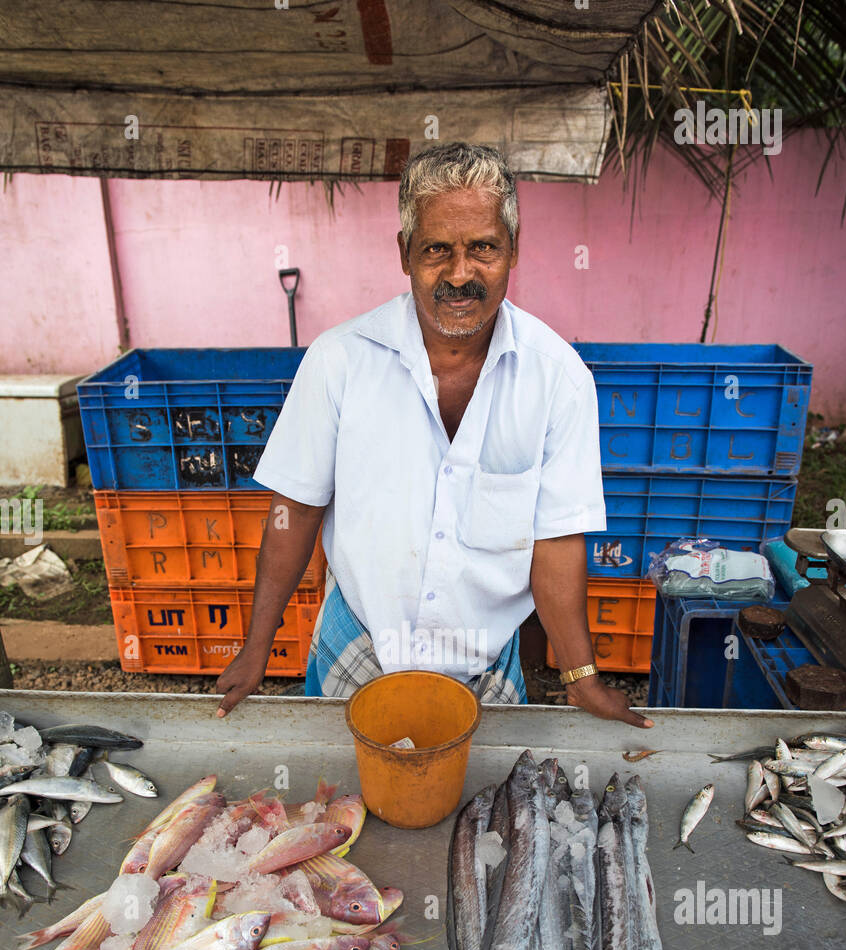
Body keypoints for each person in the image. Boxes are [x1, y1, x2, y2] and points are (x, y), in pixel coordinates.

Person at [216, 141, 652, 731]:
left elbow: (555, 541)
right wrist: (256, 647)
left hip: (488, 661)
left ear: (513, 250)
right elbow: (295, 507)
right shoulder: (338, 360)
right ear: (404, 252)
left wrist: (581, 677)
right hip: (358, 641)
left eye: (483, 249)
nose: (460, 273)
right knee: (342, 805)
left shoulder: (559, 378)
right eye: (437, 250)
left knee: (484, 817)